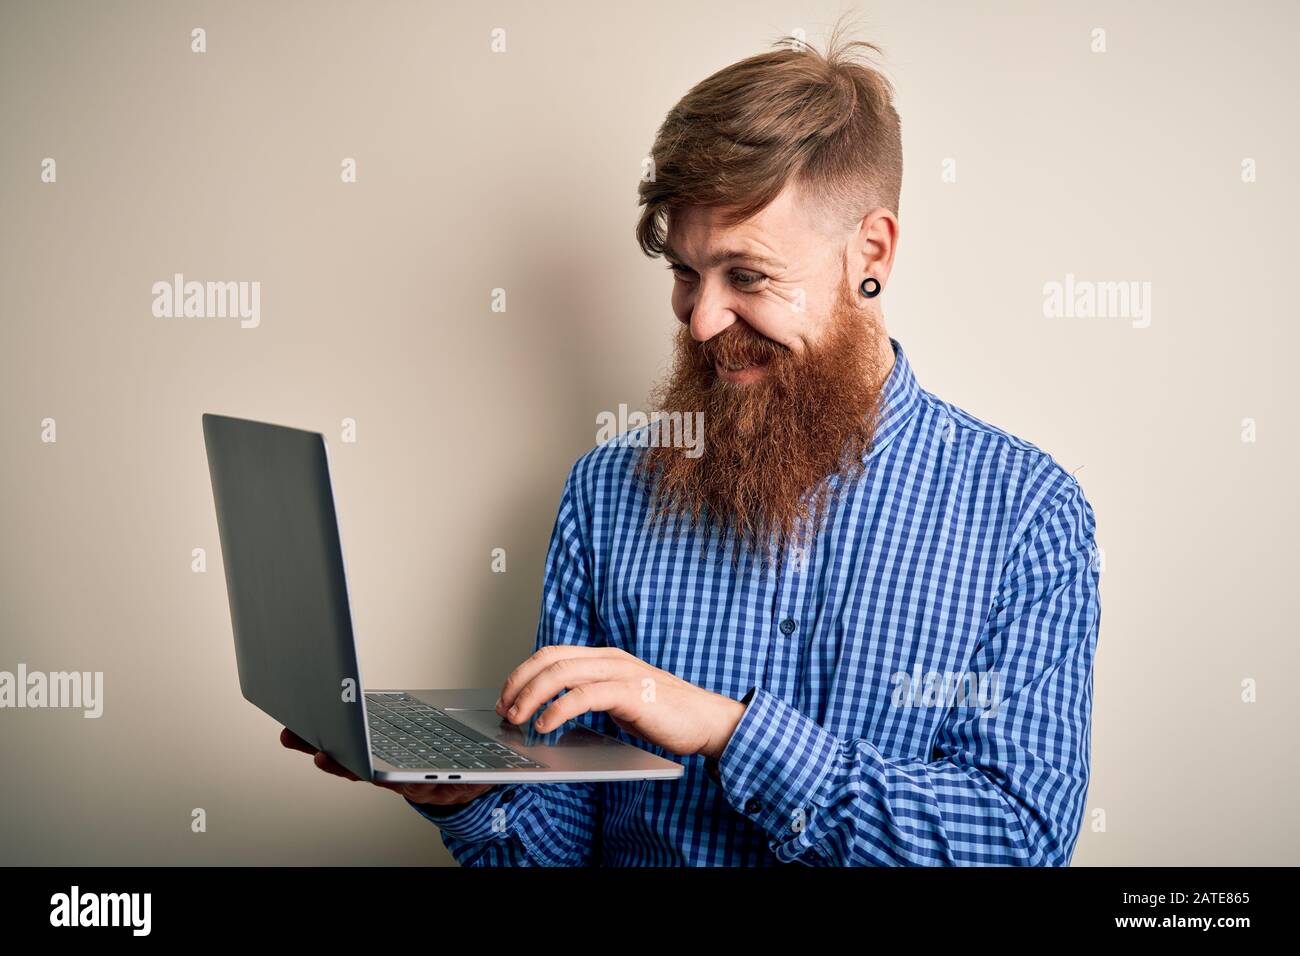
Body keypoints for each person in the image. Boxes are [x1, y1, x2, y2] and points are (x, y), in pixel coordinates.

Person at [283, 25, 1100, 866]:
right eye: (684, 272)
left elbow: (1018, 842)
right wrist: (474, 797)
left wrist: (726, 730)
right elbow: (561, 850)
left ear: (872, 254)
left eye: (747, 276)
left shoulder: (1026, 516)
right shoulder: (606, 494)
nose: (702, 321)